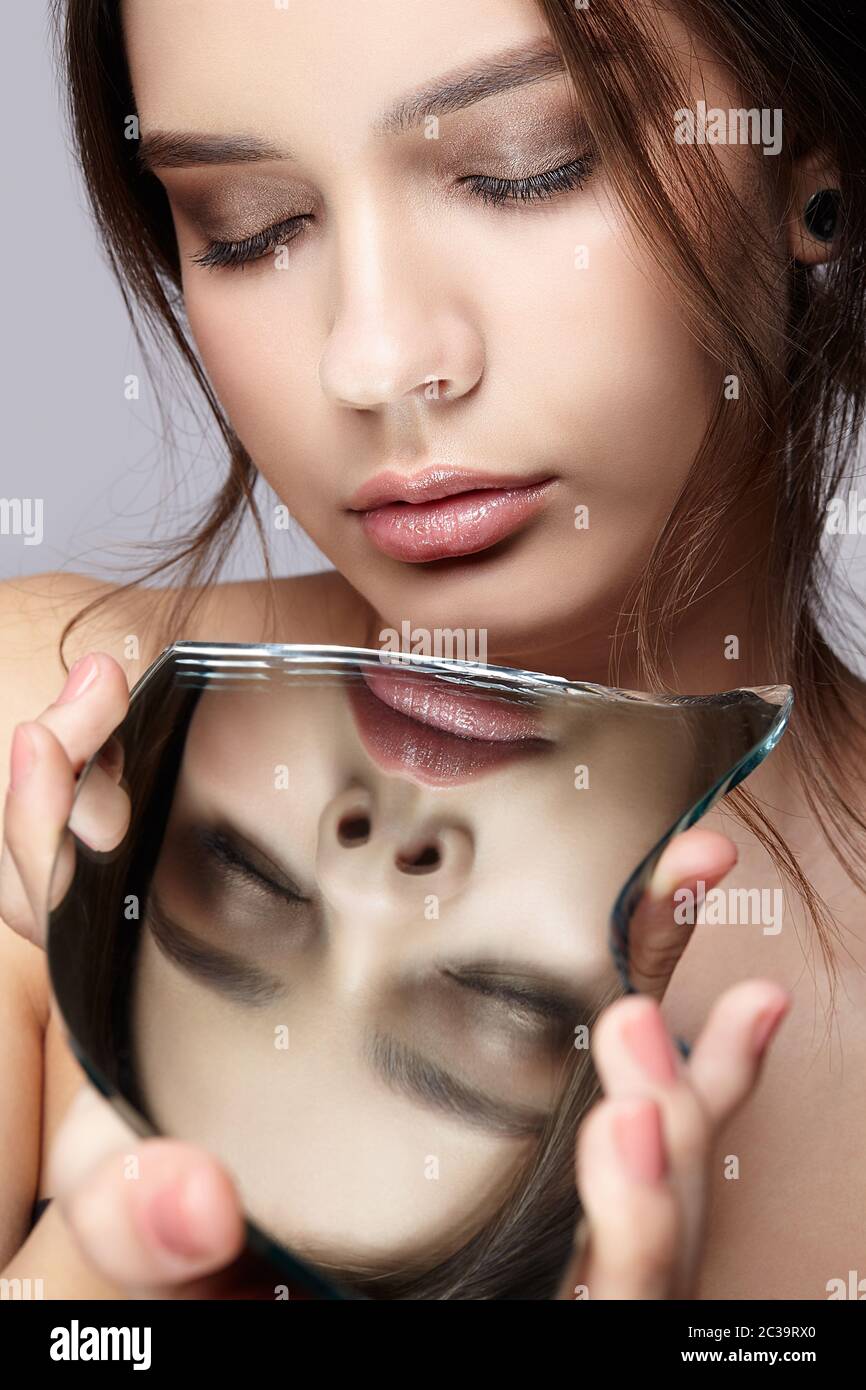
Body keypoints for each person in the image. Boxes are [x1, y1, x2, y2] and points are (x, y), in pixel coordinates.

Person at [1, 0, 863, 1297]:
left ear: (808, 163)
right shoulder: (43, 749)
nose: (374, 356)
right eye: (249, 226)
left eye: (525, 165)